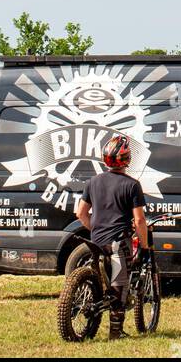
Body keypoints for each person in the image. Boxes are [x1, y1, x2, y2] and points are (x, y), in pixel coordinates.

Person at [76, 135, 148, 341]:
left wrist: (96, 228)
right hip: (118, 242)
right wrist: (143, 246)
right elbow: (139, 220)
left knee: (98, 279)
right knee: (120, 284)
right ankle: (115, 331)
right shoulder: (132, 185)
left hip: (95, 242)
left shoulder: (93, 182)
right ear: (127, 159)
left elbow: (81, 214)